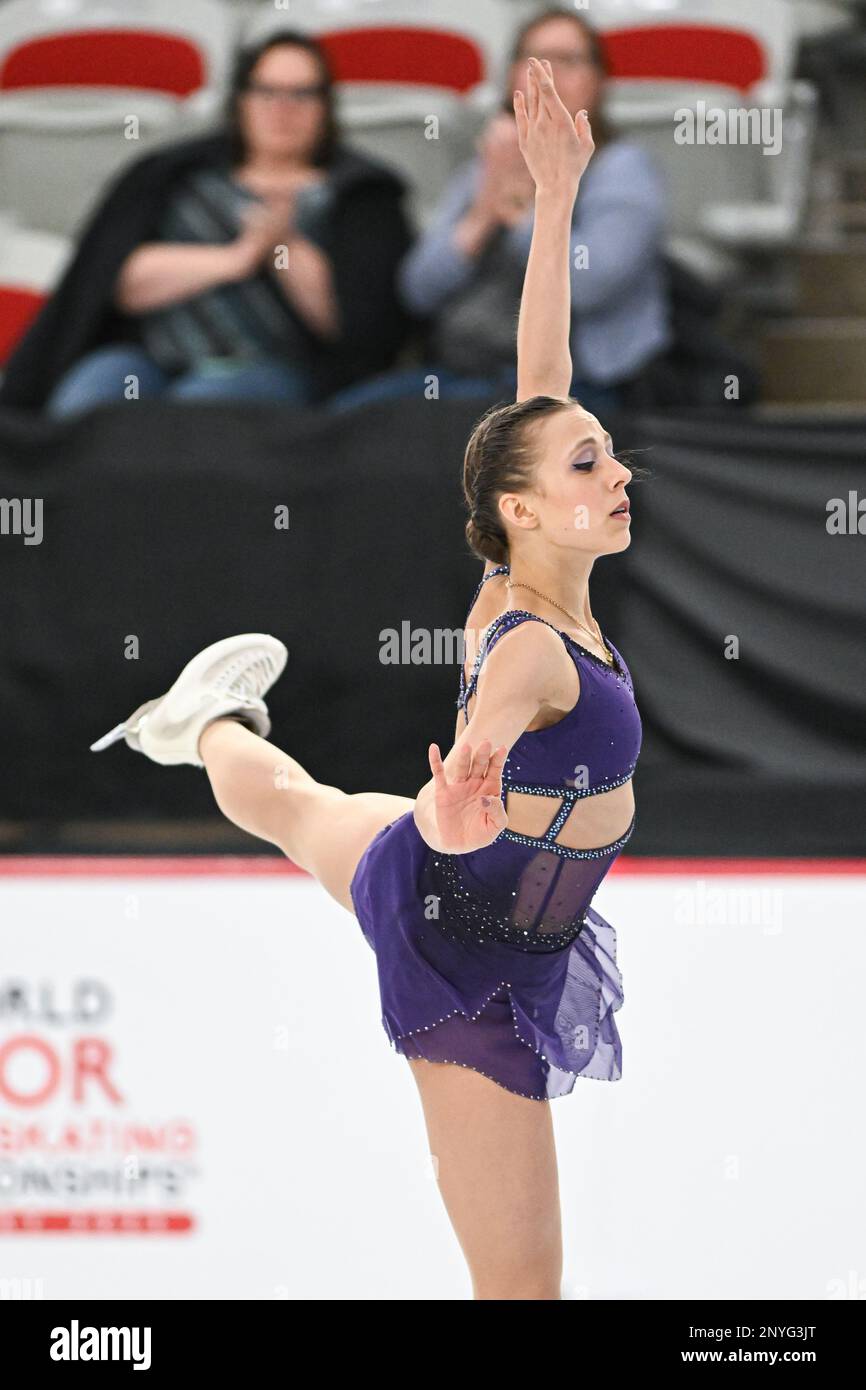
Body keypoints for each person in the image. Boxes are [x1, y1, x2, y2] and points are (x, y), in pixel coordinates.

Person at [89, 59, 642, 1300]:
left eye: (607, 457)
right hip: (472, 960)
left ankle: (200, 719)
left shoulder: (515, 586)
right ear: (521, 508)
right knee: (522, 1294)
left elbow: (539, 370)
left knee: (287, 799)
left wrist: (553, 202)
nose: (616, 476)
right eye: (588, 465)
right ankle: (207, 726)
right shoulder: (531, 650)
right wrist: (457, 809)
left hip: (438, 873)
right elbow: (491, 742)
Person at [0, 30, 412, 416]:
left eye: (302, 94)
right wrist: (237, 258)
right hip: (147, 354)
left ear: (326, 107)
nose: (282, 108)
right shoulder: (174, 174)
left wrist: (283, 244)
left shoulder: (359, 193)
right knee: (88, 402)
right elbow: (117, 283)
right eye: (266, 91)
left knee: (195, 415)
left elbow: (356, 326)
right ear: (241, 100)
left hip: (268, 365)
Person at [327, 5, 672, 416]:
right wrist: (481, 216)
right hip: (460, 374)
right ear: (511, 77)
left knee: (453, 443)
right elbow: (418, 291)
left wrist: (525, 211)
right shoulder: (488, 165)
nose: (548, 74)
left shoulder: (622, 168)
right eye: (534, 60)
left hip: (572, 389)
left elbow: (590, 286)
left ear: (599, 81)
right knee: (346, 421)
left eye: (568, 60)